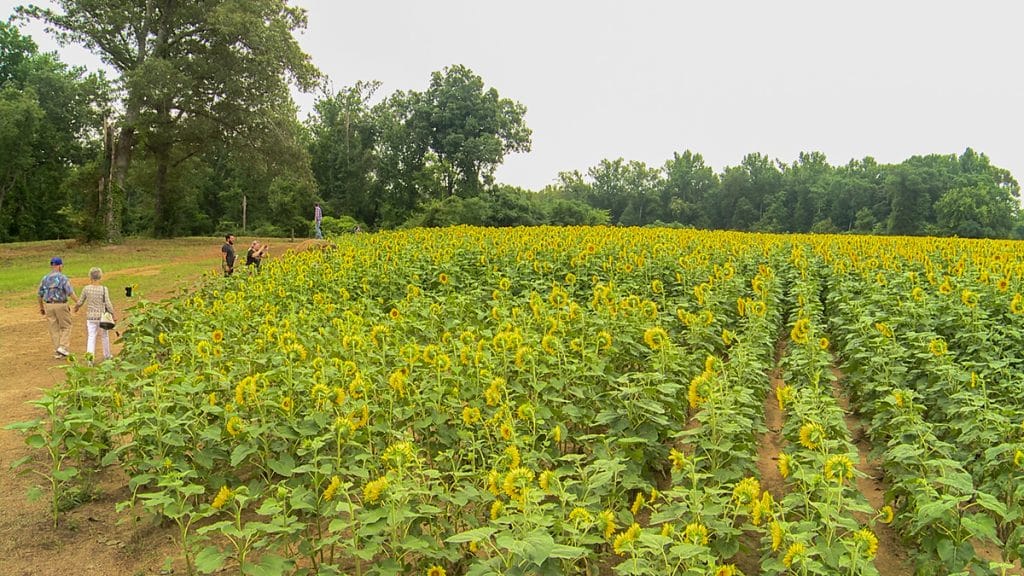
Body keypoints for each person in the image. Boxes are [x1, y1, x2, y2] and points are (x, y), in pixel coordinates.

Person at [37, 256, 78, 359]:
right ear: (60, 266)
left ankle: (58, 351)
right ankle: (63, 347)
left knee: (54, 328)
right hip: (61, 304)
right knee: (66, 326)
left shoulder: (45, 278)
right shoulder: (63, 278)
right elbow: (70, 292)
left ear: (52, 266)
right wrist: (78, 303)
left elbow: (39, 294)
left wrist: (41, 307)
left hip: (49, 305)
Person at [73, 267, 116, 363]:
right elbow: (108, 303)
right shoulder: (104, 289)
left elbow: (80, 301)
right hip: (102, 317)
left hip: (91, 317)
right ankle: (107, 355)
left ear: (90, 277)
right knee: (104, 335)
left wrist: (76, 307)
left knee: (91, 337)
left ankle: (90, 360)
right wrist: (113, 314)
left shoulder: (86, 289)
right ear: (100, 277)